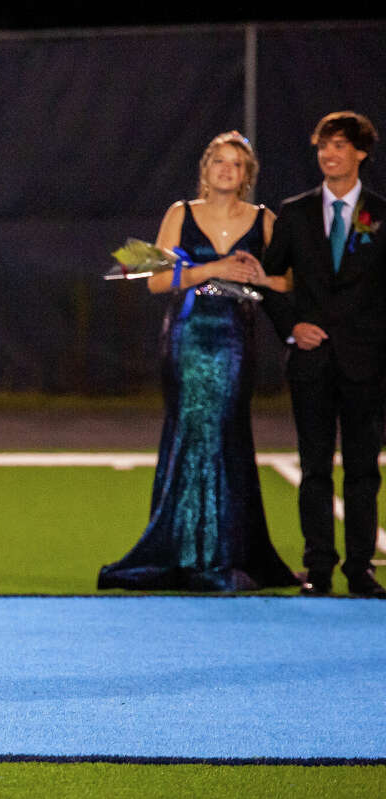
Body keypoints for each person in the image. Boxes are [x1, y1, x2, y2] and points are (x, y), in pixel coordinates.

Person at [99, 131, 299, 592]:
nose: (226, 170)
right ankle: (183, 553)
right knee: (190, 431)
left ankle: (224, 554)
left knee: (225, 434)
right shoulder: (180, 213)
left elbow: (292, 280)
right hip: (188, 337)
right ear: (205, 169)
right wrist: (212, 269)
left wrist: (261, 276)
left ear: (247, 175)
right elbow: (151, 280)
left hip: (233, 339)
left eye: (236, 164)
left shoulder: (264, 219)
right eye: (219, 162)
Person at [260, 112, 386, 598]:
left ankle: (360, 569)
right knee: (313, 468)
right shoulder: (293, 213)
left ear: (361, 153)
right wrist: (292, 327)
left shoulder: (381, 212)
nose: (329, 155)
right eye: (322, 147)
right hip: (310, 364)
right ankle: (318, 569)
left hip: (365, 365)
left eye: (339, 146)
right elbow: (267, 281)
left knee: (362, 470)